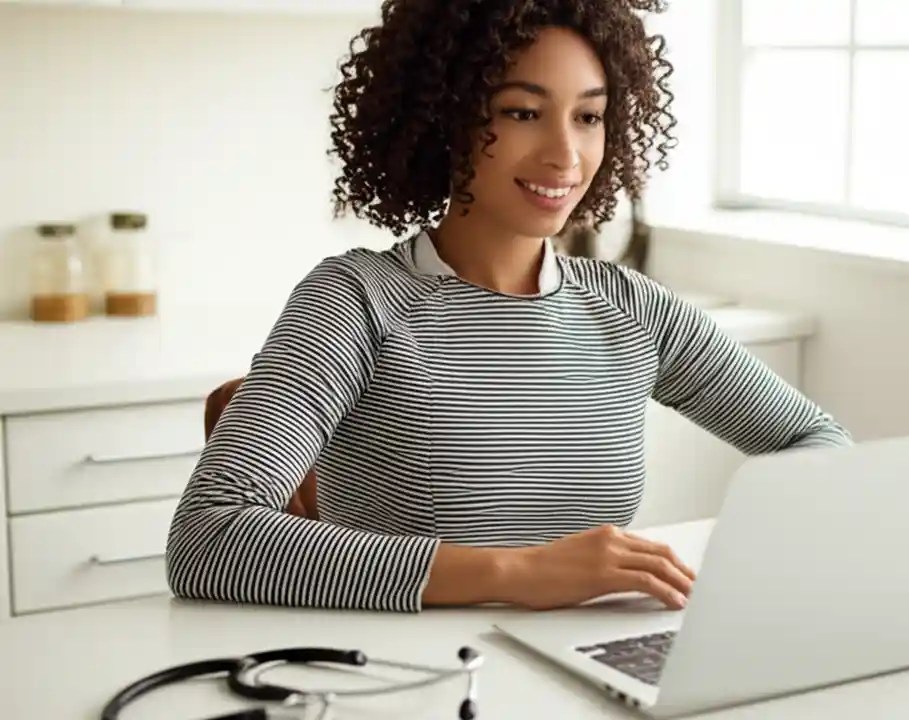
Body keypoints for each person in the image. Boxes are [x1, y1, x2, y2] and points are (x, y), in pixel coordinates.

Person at [165, 0, 853, 615]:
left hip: (581, 668)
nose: (566, 155)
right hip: (410, 683)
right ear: (444, 118)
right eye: (521, 112)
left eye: (588, 117)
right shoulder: (357, 302)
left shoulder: (633, 311)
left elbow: (820, 444)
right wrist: (514, 572)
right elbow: (208, 537)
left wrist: (734, 562)